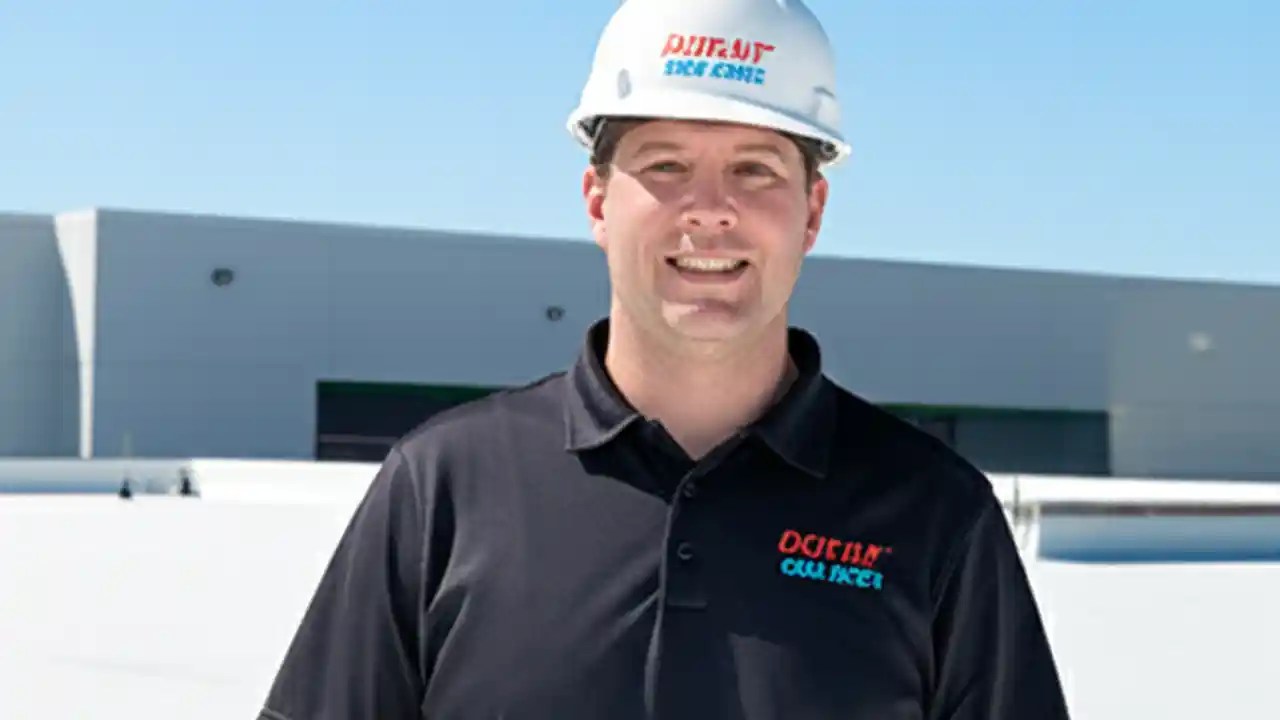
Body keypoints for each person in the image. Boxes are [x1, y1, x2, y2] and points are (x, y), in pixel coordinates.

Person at [258, 0, 1071, 718]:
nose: (710, 210)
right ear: (598, 200)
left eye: (755, 169)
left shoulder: (933, 513)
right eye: (665, 166)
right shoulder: (445, 486)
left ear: (812, 210)